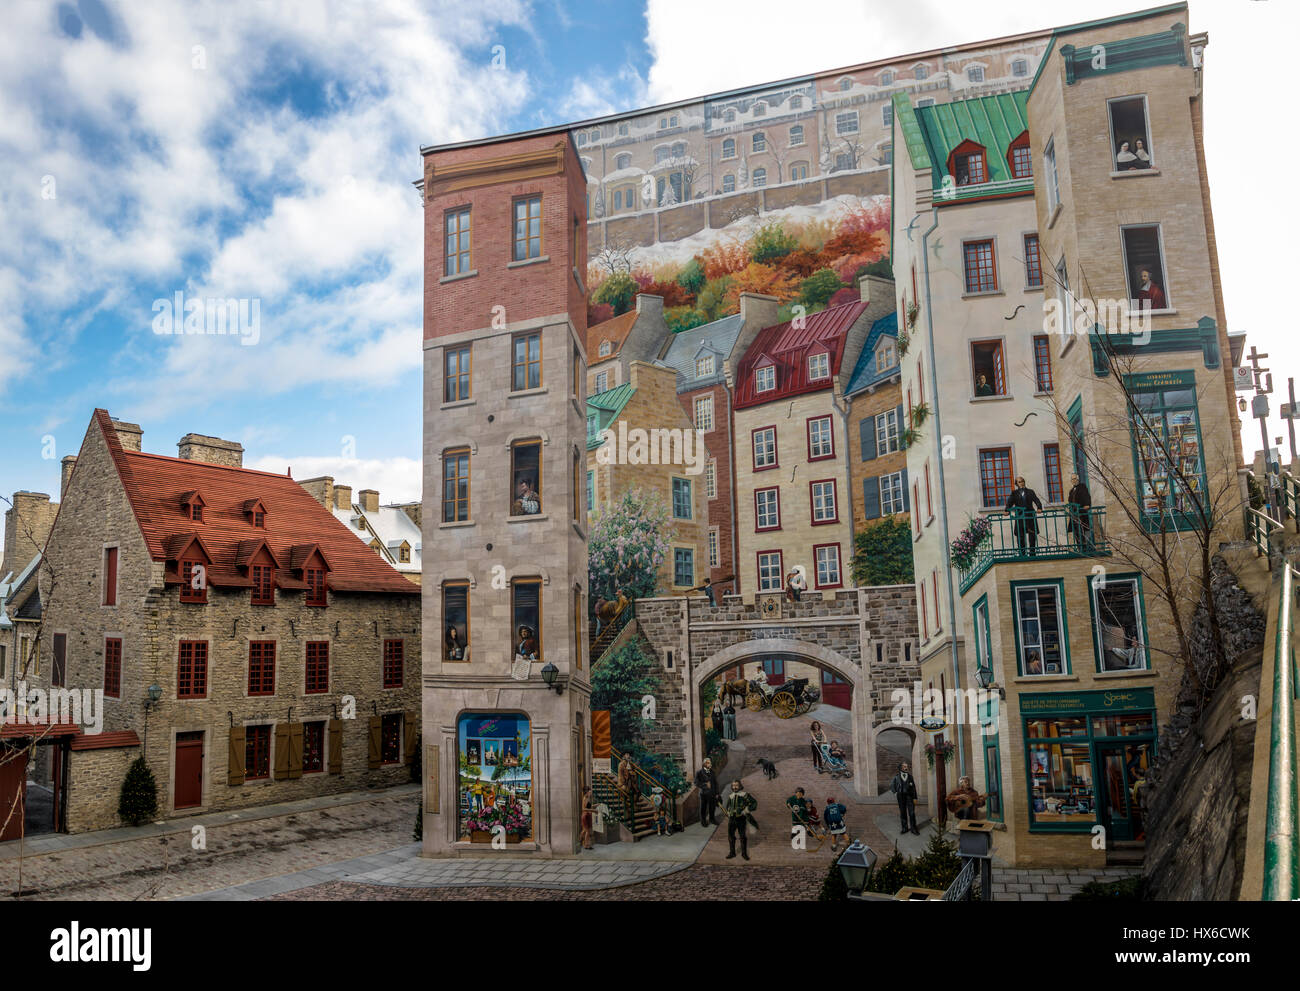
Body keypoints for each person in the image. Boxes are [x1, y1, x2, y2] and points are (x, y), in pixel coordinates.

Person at [1005, 476, 1043, 555]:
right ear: (1017, 484)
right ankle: (1022, 553)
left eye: (1022, 481)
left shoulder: (1030, 491)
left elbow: (1036, 500)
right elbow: (1009, 503)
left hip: (1030, 516)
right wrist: (1007, 510)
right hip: (1020, 517)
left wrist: (1039, 508)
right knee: (1020, 536)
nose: (1021, 483)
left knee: (1032, 536)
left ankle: (1032, 553)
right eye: (1019, 482)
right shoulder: (1014, 493)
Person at [723, 779, 758, 860]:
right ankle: (732, 853)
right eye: (733, 785)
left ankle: (744, 854)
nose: (735, 787)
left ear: (740, 786)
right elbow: (728, 806)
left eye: (736, 785)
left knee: (742, 836)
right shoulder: (730, 796)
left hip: (741, 819)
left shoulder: (745, 795)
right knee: (731, 836)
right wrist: (728, 812)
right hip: (732, 819)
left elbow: (754, 803)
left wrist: (745, 810)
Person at [891, 762, 920, 835]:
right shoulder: (896, 777)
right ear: (901, 768)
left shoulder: (910, 777)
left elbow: (913, 788)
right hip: (901, 797)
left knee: (912, 813)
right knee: (903, 812)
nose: (906, 768)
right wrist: (896, 792)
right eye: (904, 767)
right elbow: (892, 785)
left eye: (906, 766)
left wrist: (915, 797)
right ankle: (904, 828)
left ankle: (913, 828)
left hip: (909, 796)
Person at [1067, 474, 1092, 551]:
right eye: (1072, 479)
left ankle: (1085, 548)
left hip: (1081, 513)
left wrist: (1087, 504)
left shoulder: (1082, 487)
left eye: (1075, 479)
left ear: (1078, 479)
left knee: (1083, 530)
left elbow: (1086, 496)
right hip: (1074, 514)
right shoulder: (1071, 491)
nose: (1074, 481)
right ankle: (1080, 548)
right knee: (1076, 531)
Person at [695, 757, 720, 828]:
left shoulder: (712, 772)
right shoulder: (699, 772)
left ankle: (712, 819)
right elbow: (696, 783)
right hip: (703, 794)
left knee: (712, 807)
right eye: (709, 763)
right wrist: (705, 785)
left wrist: (717, 793)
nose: (710, 764)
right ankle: (703, 821)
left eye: (710, 763)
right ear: (705, 764)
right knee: (703, 808)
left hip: (712, 793)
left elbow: (715, 783)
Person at [618, 754, 639, 819]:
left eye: (629, 755)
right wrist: (623, 782)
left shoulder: (631, 764)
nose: (628, 756)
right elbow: (620, 775)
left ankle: (634, 805)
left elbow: (634, 771)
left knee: (637, 792)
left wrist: (633, 774)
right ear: (624, 756)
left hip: (631, 782)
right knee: (624, 795)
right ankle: (626, 813)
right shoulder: (621, 764)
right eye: (627, 755)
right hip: (624, 783)